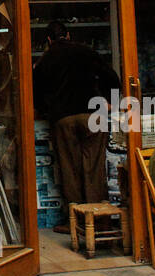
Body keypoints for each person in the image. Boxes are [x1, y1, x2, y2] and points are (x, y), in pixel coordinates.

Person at [32, 19, 120, 230]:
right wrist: (112, 102)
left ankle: (75, 221)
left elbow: (36, 92)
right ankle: (99, 219)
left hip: (64, 119)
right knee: (94, 166)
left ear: (49, 40)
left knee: (70, 168)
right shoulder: (86, 52)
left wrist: (46, 109)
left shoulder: (46, 60)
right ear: (69, 35)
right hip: (93, 114)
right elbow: (112, 78)